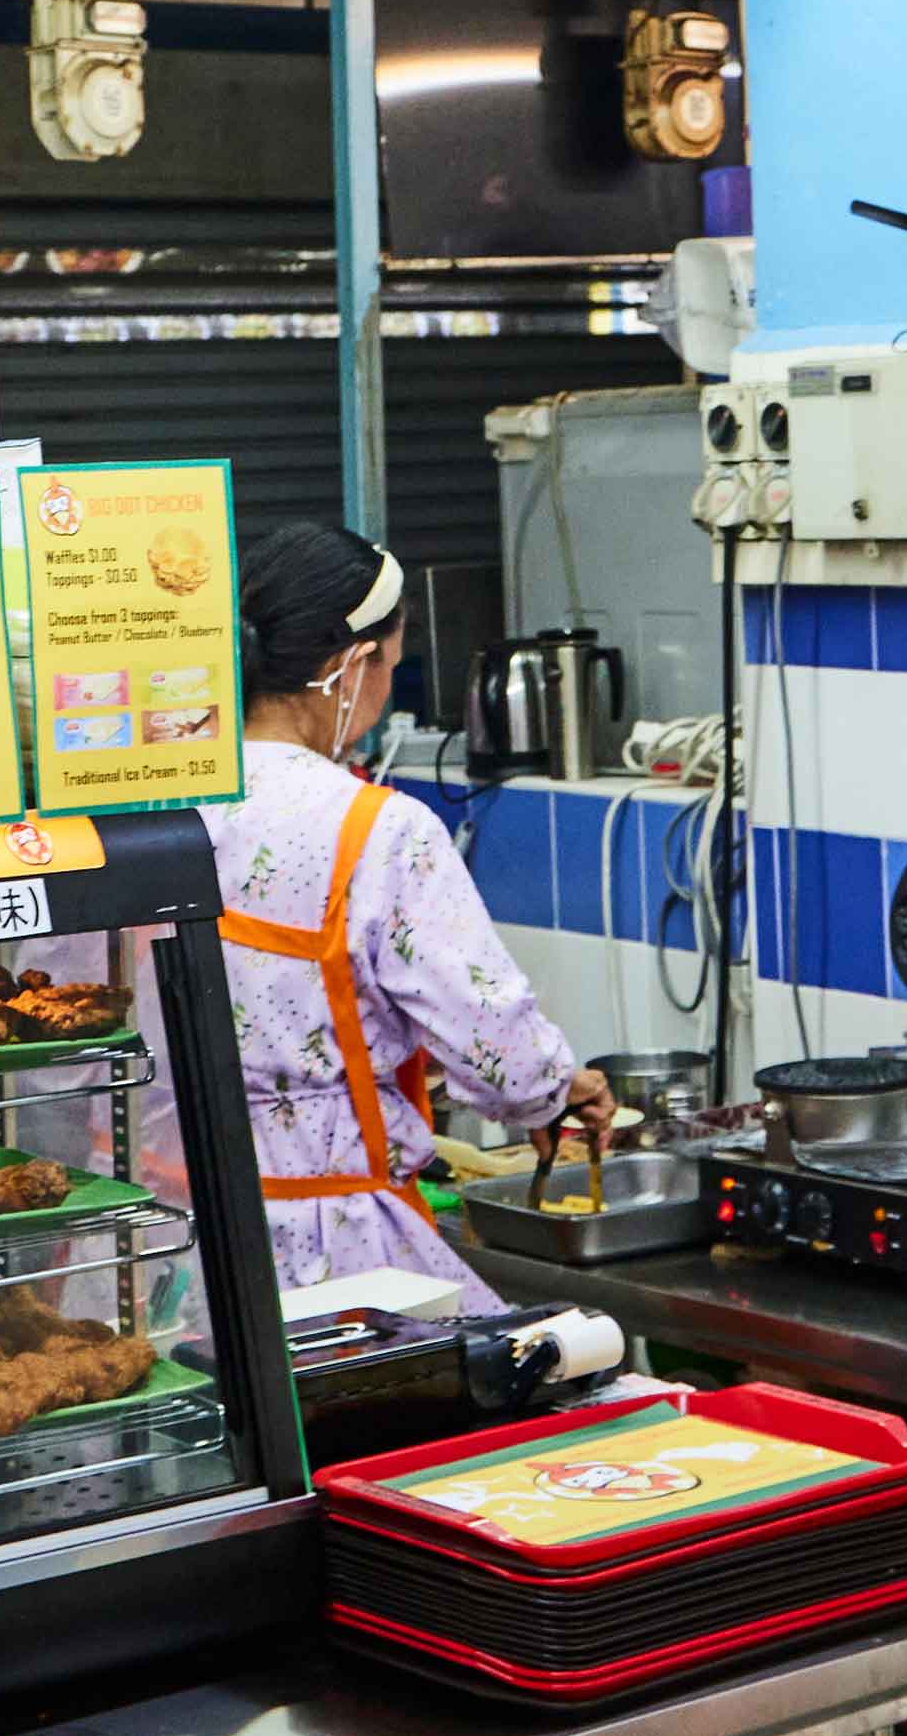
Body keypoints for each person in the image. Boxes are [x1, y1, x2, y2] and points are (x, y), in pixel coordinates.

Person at [203, 519, 614, 1307]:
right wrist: (554, 1088)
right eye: (390, 665)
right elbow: (496, 1043)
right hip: (329, 1247)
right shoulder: (378, 829)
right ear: (352, 666)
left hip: (175, 1229)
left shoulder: (159, 800)